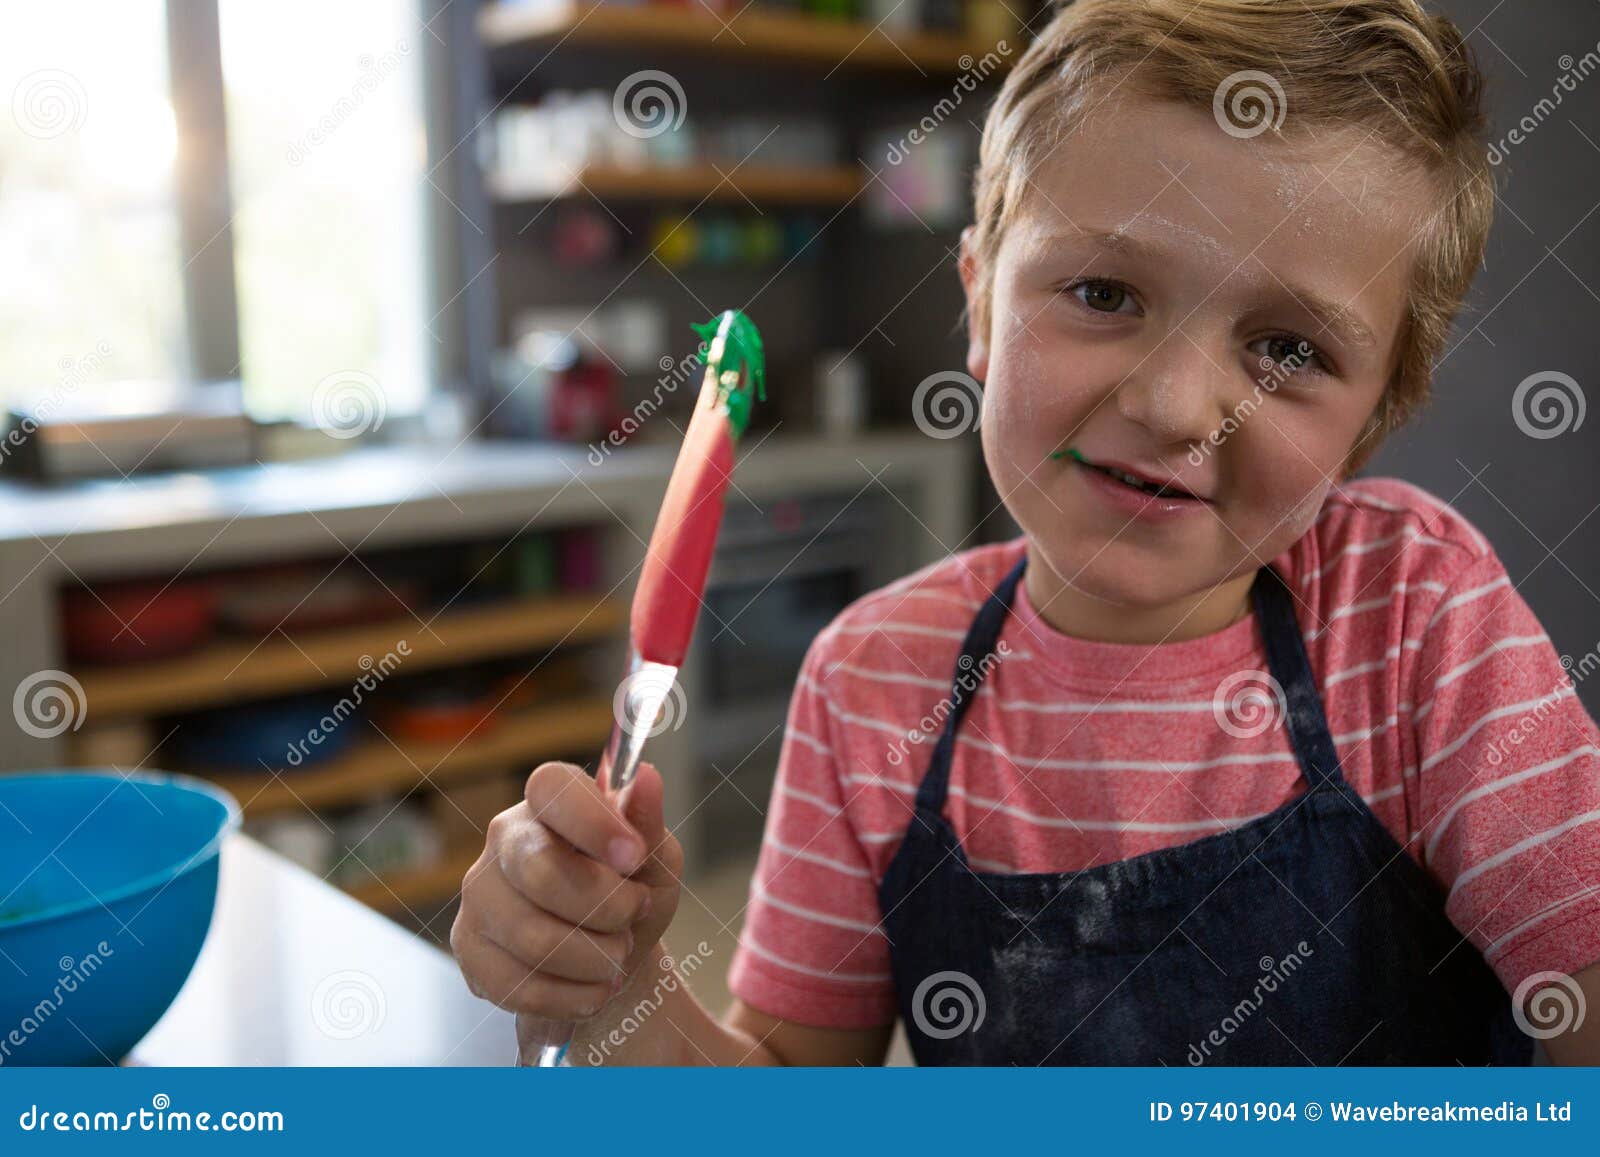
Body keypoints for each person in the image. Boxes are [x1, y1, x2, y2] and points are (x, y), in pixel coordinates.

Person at [451, 0, 1600, 1065]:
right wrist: (614, 994)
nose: (1172, 405)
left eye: (1289, 350)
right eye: (1103, 293)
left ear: (1378, 414)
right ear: (979, 308)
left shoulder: (1411, 611)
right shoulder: (872, 681)